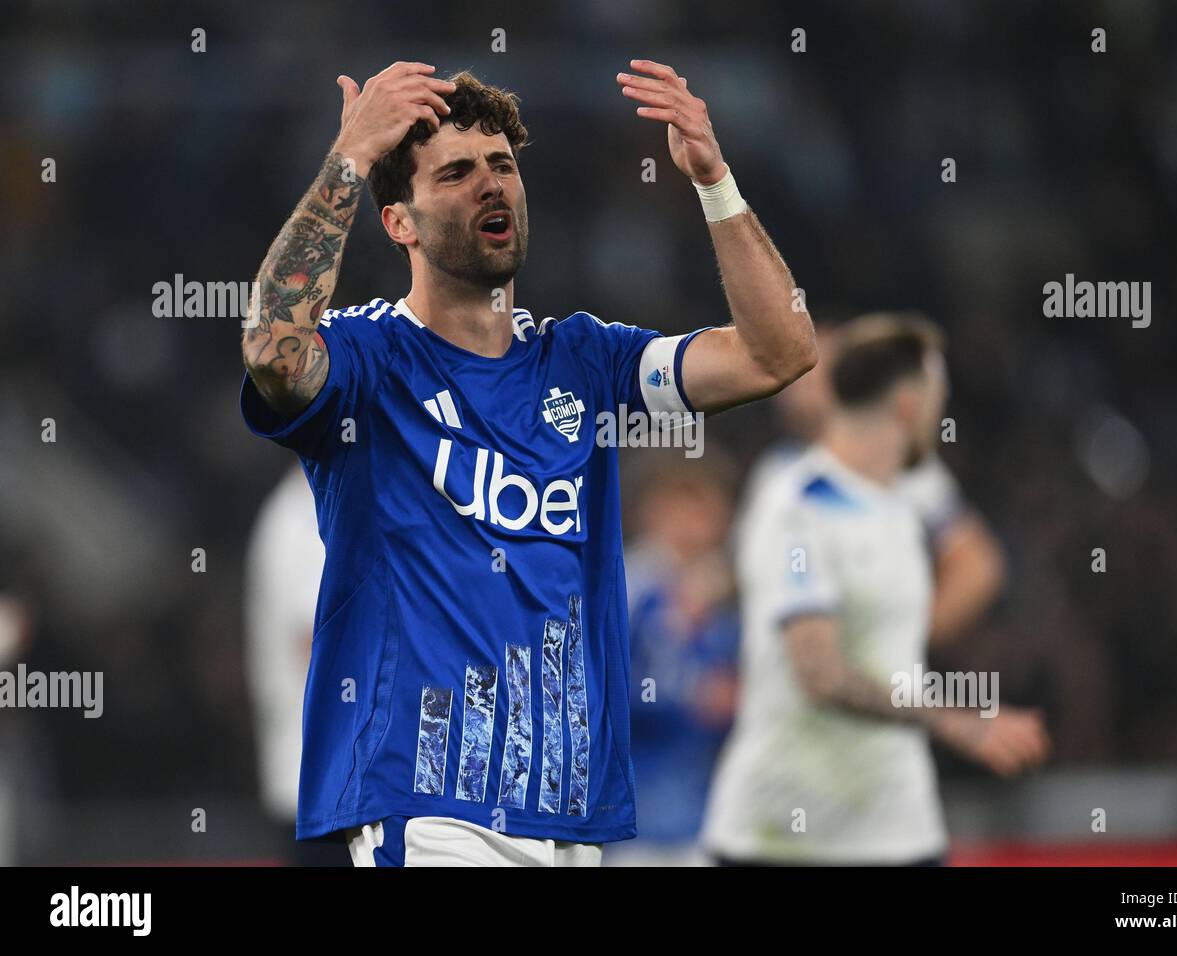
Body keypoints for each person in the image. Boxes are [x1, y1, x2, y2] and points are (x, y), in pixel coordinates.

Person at [237, 59, 816, 866]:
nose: (491, 185)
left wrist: (715, 183)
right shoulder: (371, 360)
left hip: (570, 813)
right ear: (399, 221)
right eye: (458, 173)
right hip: (430, 804)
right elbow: (272, 348)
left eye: (503, 166)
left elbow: (778, 352)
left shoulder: (586, 361)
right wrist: (350, 161)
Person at [702, 314, 1048, 865]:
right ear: (912, 405)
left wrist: (899, 663)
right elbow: (819, 671)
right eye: (940, 399)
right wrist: (955, 719)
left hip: (897, 830)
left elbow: (977, 564)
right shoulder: (795, 505)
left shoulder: (908, 497)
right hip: (784, 834)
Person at [741, 317, 1006, 647]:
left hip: (862, 679)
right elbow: (752, 575)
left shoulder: (906, 467)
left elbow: (977, 565)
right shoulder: (774, 472)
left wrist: (902, 640)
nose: (799, 382)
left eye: (812, 366)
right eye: (791, 363)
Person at [605, 459, 741, 866]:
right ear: (657, 510)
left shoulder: (718, 593)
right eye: (689, 508)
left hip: (699, 816)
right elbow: (600, 693)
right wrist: (689, 692)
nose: (701, 525)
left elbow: (730, 688)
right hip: (635, 824)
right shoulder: (628, 585)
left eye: (711, 511)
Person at [244, 465, 350, 865]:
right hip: (326, 785)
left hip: (330, 783)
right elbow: (321, 641)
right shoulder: (301, 518)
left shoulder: (313, 506)